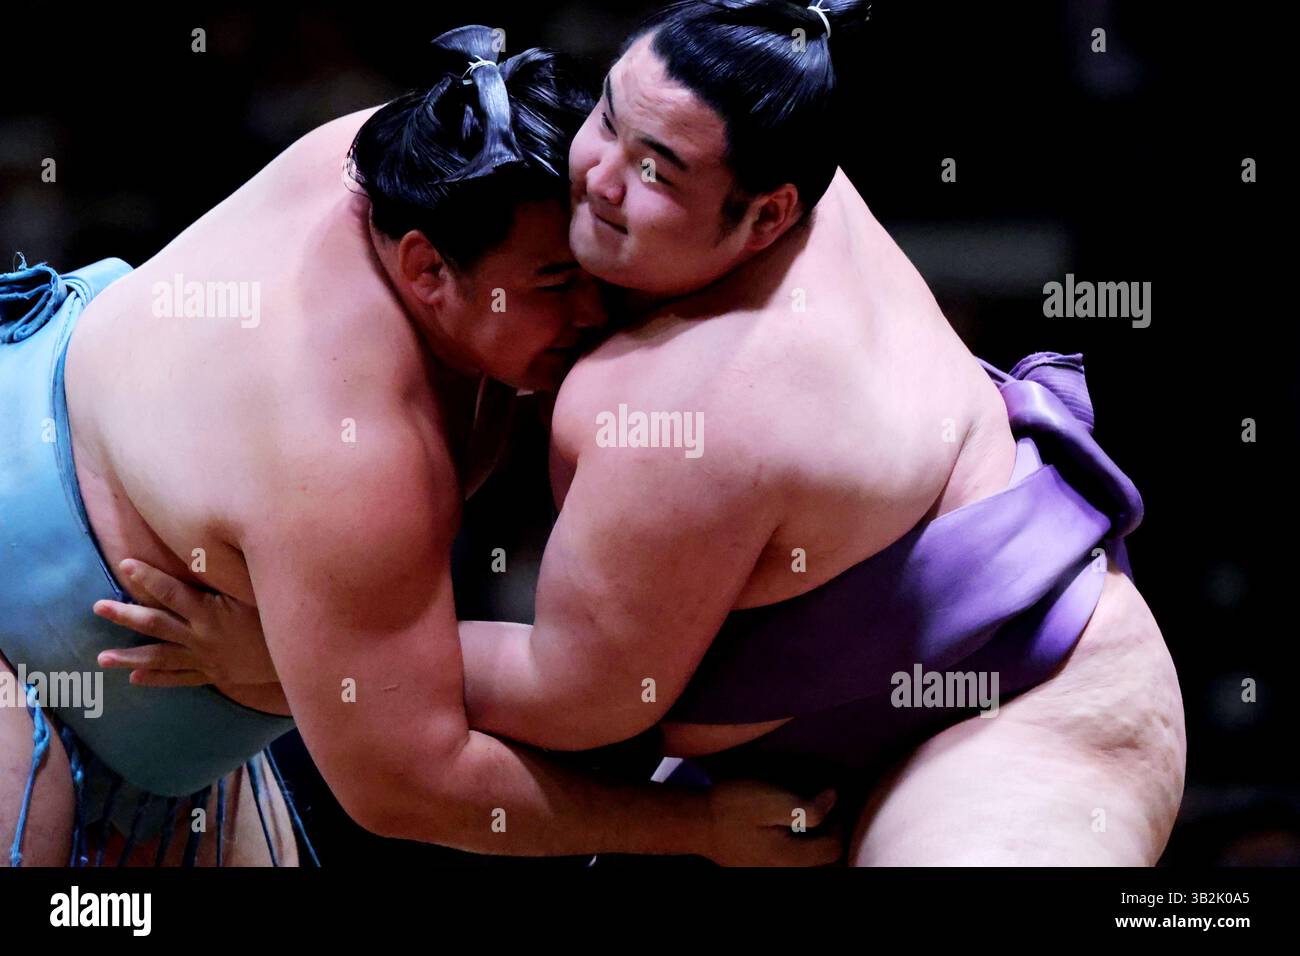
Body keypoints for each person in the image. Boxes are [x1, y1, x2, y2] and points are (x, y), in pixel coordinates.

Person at [102, 2, 1187, 865]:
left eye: (657, 170)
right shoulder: (769, 123)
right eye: (609, 115)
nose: (601, 176)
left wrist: (310, 661)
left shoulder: (695, 403)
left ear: (767, 214)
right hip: (788, 746)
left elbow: (577, 701)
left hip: (1016, 708)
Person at [0, 24, 839, 868]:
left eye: (601, 262)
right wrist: (699, 831)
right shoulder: (354, 456)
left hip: (158, 675)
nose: (598, 308)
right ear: (426, 270)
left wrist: (292, 668)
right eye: (556, 284)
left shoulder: (422, 147)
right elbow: (410, 784)